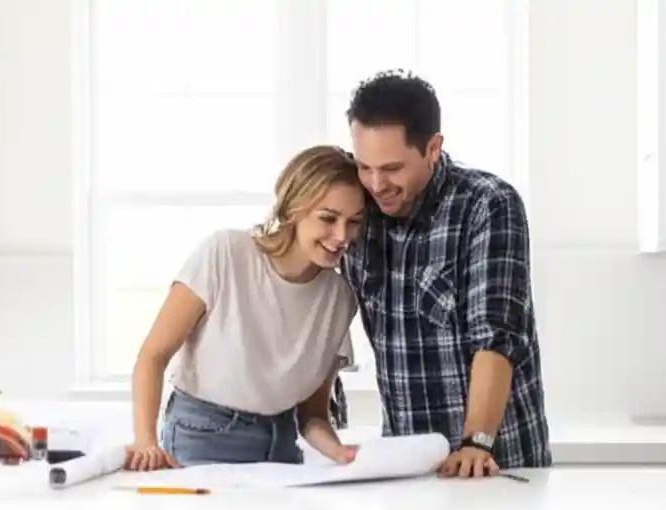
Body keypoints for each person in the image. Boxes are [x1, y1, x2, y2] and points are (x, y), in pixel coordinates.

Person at [341, 70, 552, 477]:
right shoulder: (359, 213)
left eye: (392, 168)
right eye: (364, 167)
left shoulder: (487, 205)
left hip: (495, 459)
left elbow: (496, 336)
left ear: (433, 147)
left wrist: (476, 442)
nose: (376, 184)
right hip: (408, 464)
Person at [126, 145, 364, 471]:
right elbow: (152, 356)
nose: (341, 236)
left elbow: (312, 415)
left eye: (354, 222)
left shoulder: (339, 298)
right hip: (204, 435)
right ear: (294, 209)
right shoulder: (225, 254)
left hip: (282, 441)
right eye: (328, 218)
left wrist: (340, 453)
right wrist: (145, 441)